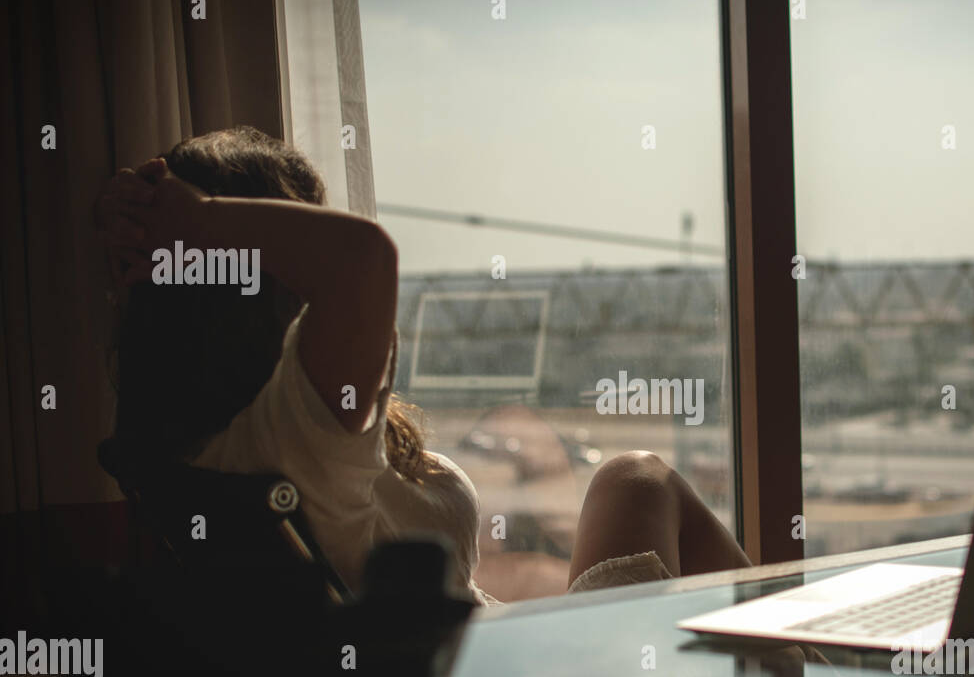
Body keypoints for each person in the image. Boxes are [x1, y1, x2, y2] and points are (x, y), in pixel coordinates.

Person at [95, 126, 750, 608]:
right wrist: (201, 220)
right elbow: (363, 261)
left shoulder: (238, 446)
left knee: (635, 490)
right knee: (635, 478)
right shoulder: (293, 433)